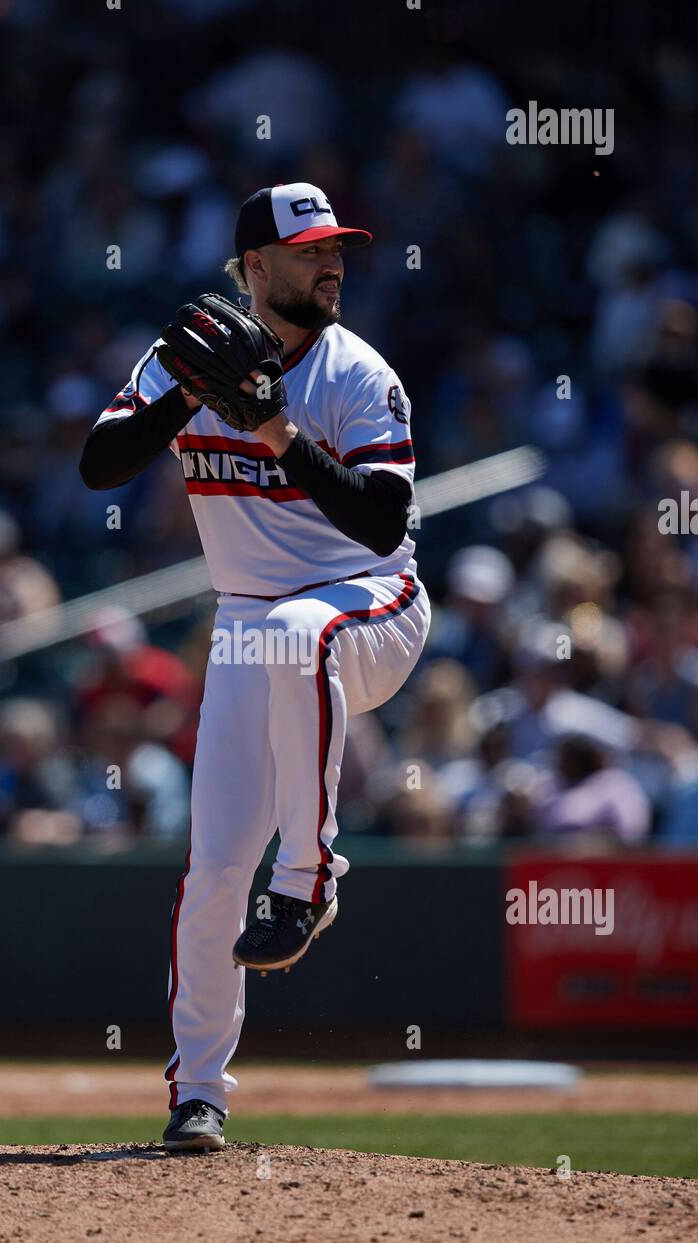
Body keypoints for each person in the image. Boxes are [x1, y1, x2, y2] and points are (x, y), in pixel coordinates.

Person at [79, 182, 430, 1151]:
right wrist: (189, 393)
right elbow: (99, 465)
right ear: (252, 269)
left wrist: (276, 430)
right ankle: (197, 1094)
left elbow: (380, 519)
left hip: (371, 602)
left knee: (296, 633)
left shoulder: (358, 373)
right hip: (249, 624)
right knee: (213, 869)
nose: (330, 262)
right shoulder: (183, 354)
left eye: (336, 248)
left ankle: (310, 876)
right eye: (309, 248)